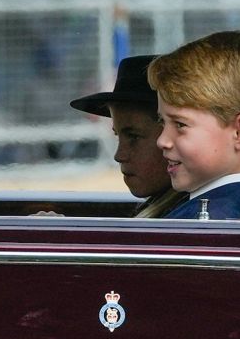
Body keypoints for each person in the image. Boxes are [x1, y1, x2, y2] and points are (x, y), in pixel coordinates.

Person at [146, 30, 240, 220]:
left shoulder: (206, 226)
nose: (162, 141)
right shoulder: (235, 212)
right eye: (162, 122)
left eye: (180, 124)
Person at [70, 55, 186, 218]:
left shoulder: (186, 218)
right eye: (118, 137)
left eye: (134, 137)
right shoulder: (164, 212)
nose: (119, 156)